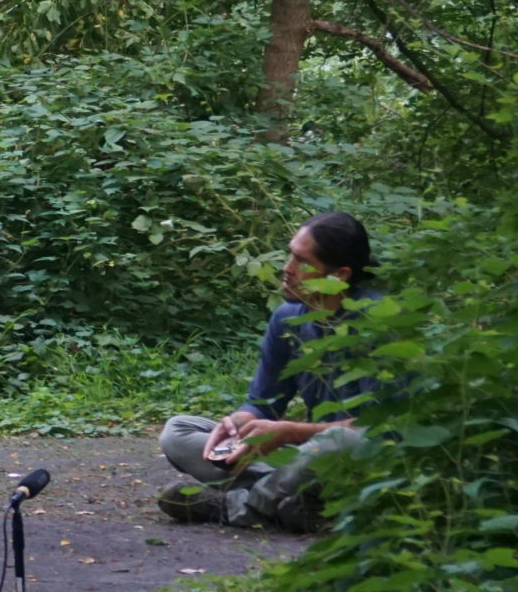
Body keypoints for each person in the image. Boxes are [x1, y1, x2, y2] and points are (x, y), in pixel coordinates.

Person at [158, 212, 382, 533]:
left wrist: (289, 432)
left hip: (360, 459)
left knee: (341, 441)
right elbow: (263, 403)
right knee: (178, 432)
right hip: (305, 458)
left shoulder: (375, 320)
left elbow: (379, 428)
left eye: (302, 262)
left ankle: (237, 506)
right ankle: (292, 503)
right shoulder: (288, 318)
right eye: (290, 254)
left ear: (340, 275)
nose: (287, 269)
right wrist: (241, 421)